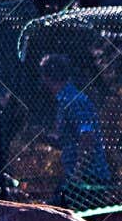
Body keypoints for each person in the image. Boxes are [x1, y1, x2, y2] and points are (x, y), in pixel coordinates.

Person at [39, 53, 111, 209]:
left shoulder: (73, 100)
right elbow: (71, 140)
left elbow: (87, 137)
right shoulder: (64, 100)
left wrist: (78, 173)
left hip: (89, 179)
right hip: (77, 176)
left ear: (47, 77)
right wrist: (43, 138)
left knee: (57, 213)